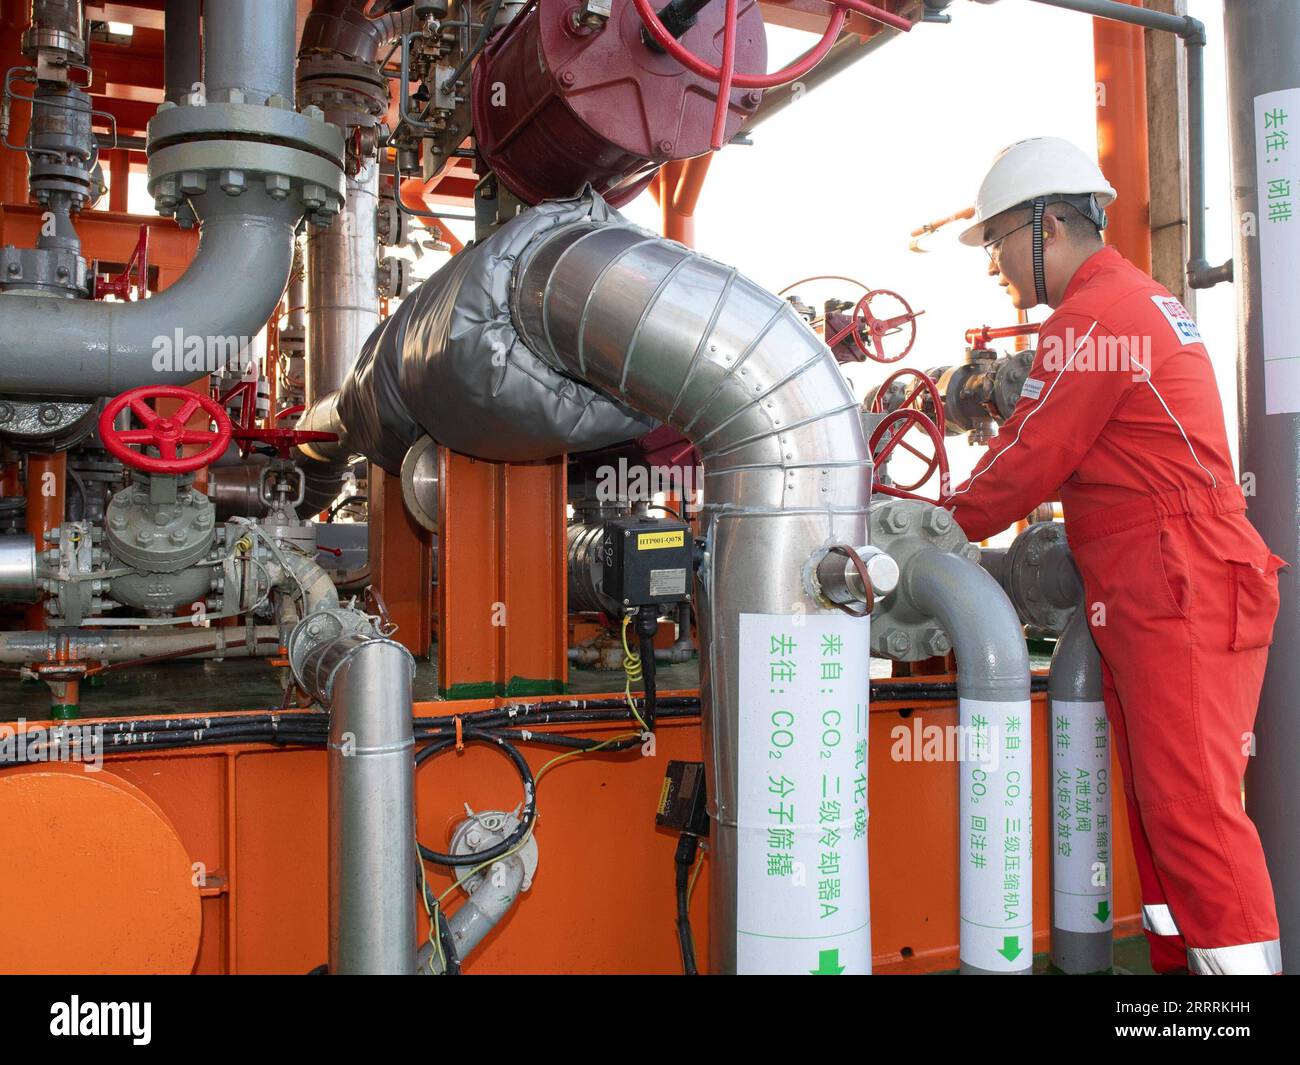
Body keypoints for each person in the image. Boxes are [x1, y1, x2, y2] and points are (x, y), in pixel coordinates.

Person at [943, 136, 1286, 975]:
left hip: (1180, 582)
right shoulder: (1139, 301)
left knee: (1194, 815)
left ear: (1049, 224)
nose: (998, 271)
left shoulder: (1093, 319)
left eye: (998, 247)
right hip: (1168, 582)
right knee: (1163, 814)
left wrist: (929, 532)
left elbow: (1028, 456)